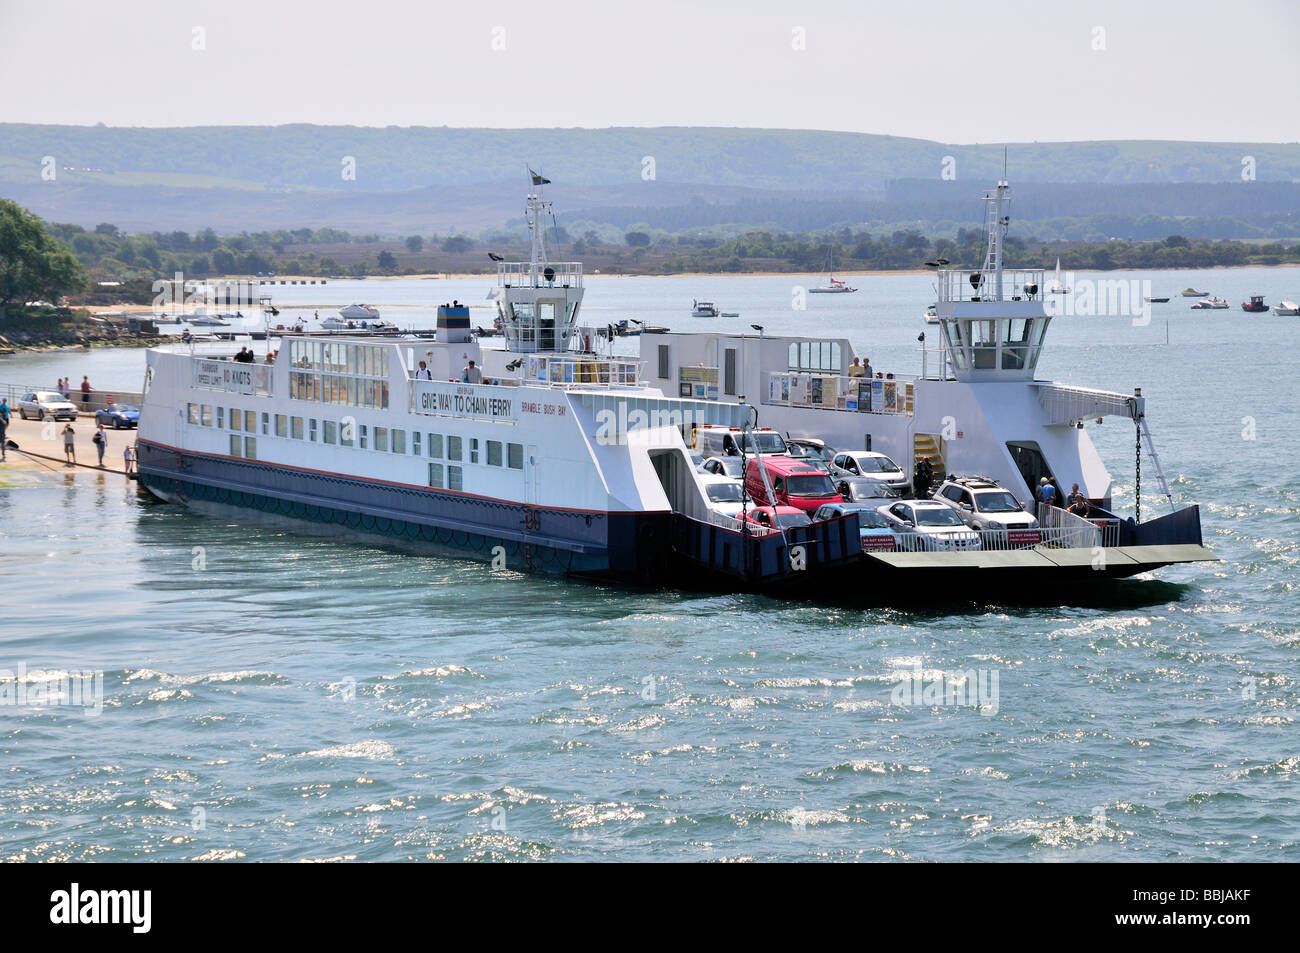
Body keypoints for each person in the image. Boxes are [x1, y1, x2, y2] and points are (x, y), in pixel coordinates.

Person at [0, 397, 9, 462]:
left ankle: (3, 455)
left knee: (3, 443)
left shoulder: (2, 408)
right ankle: (3, 455)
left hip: (2, 431)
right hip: (1, 430)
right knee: (2, 443)